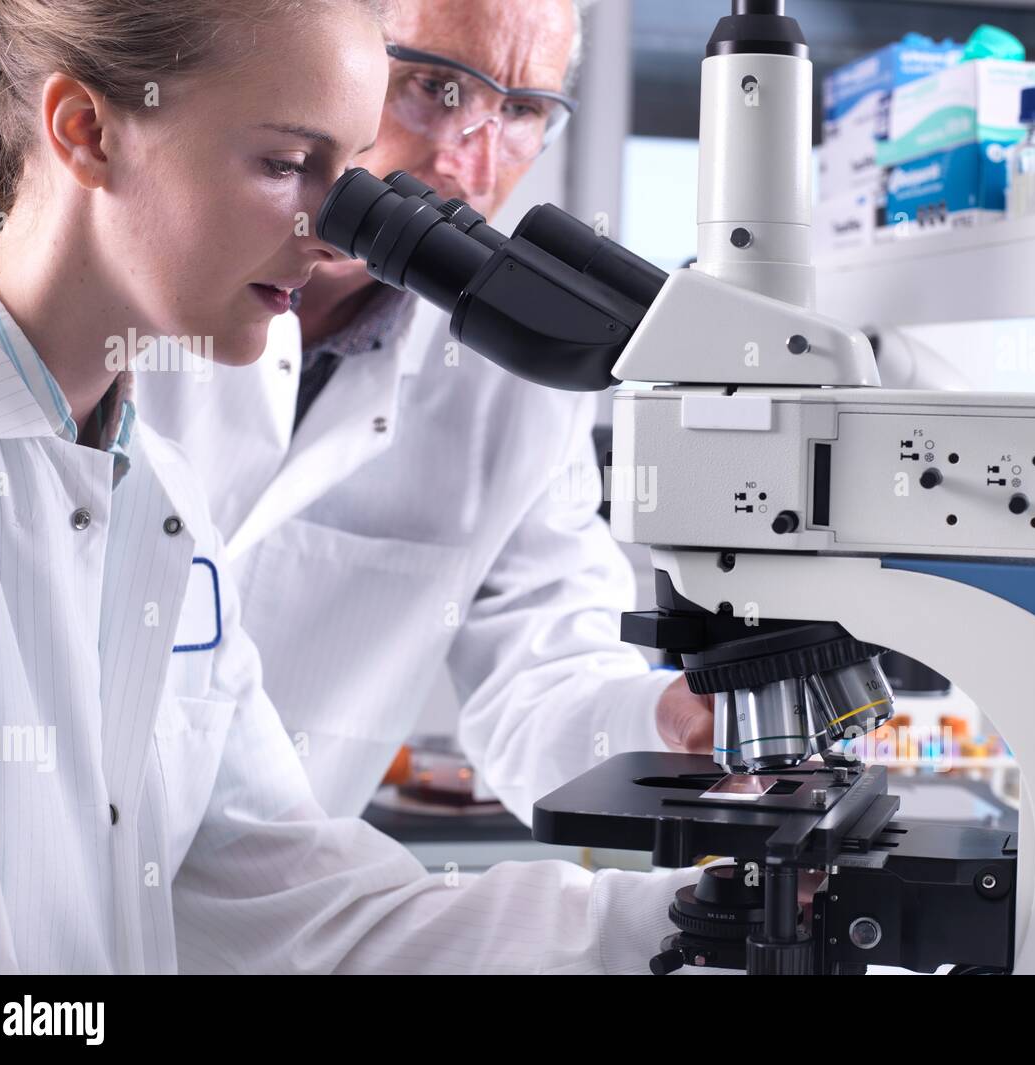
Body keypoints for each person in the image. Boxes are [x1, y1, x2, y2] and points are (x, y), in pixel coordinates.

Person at [0, 0, 692, 974]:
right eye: (283, 163)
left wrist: (688, 922)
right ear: (87, 130)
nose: (334, 222)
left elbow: (298, 900)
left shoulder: (153, 492)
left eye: (524, 109)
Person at [137, 0, 716, 823]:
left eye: (520, 111)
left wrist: (674, 719)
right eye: (433, 86)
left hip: (277, 914)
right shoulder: (137, 294)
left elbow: (543, 678)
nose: (468, 162)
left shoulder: (511, 378)